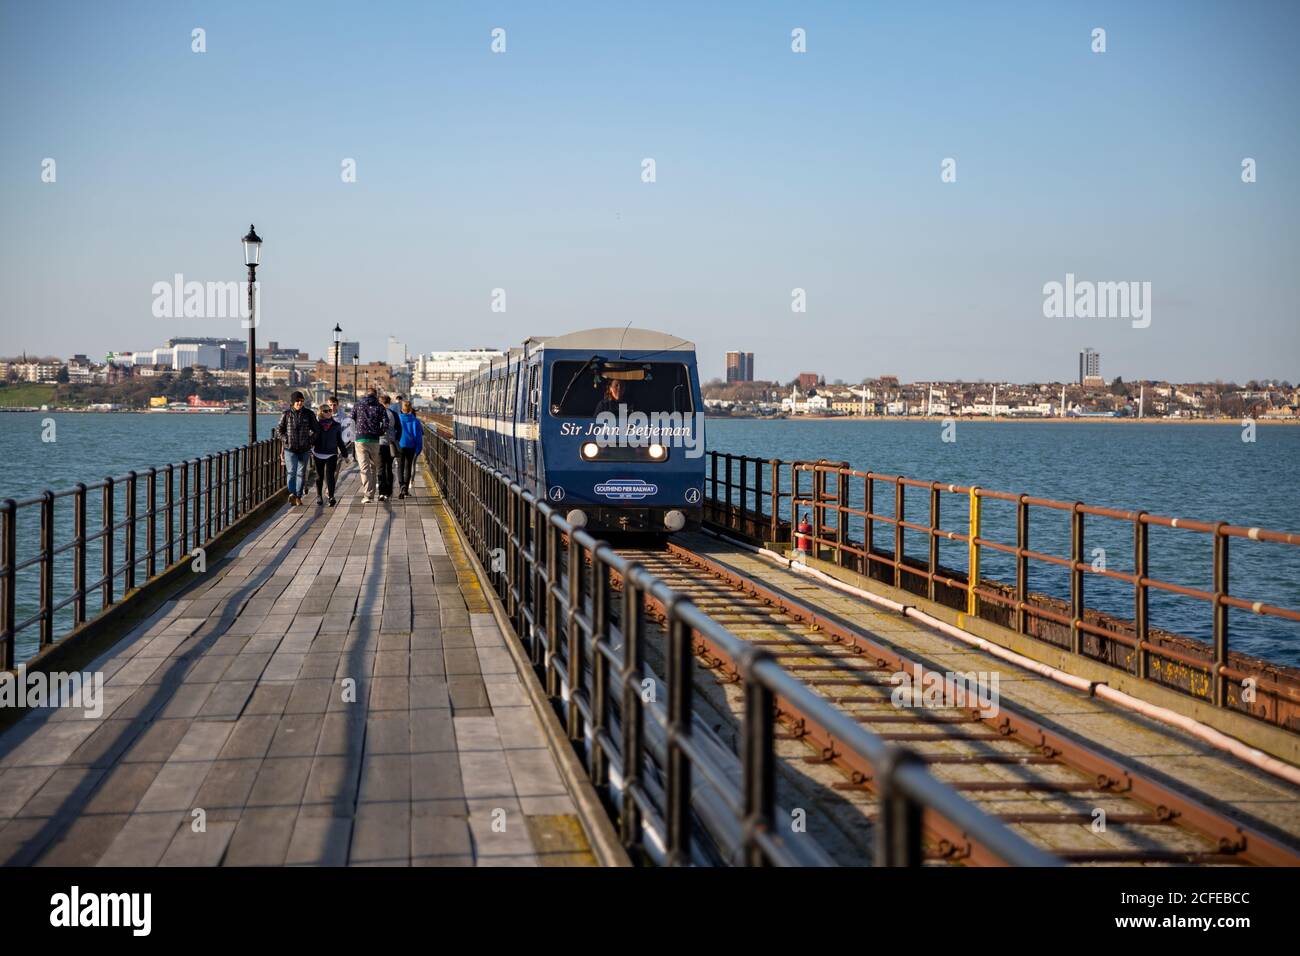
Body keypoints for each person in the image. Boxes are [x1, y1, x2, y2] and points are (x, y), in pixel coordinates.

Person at [277, 391, 319, 506]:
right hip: (290, 449)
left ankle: (298, 496)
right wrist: (286, 439)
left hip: (304, 449)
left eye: (301, 401)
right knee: (291, 472)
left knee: (301, 473)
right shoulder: (286, 414)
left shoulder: (309, 414)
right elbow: (279, 430)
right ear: (292, 402)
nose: (299, 403)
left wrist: (309, 441)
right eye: (297, 401)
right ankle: (292, 494)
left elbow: (316, 430)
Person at [352, 387, 387, 503]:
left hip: (360, 439)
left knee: (364, 467)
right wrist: (380, 432)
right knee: (373, 466)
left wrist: (354, 433)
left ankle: (367, 494)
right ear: (375, 395)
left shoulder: (358, 405)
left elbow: (351, 420)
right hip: (374, 440)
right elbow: (386, 422)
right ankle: (371, 493)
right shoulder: (380, 406)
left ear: (365, 394)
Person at [312, 402, 345, 506]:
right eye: (325, 411)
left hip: (331, 453)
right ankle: (319, 496)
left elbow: (339, 440)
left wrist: (344, 453)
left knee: (330, 476)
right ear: (320, 413)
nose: (329, 412)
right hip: (318, 453)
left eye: (330, 410)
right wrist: (308, 447)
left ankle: (331, 496)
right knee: (319, 476)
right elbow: (313, 438)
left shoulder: (336, 425)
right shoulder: (316, 425)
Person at [396, 400, 423, 499]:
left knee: (400, 467)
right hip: (411, 447)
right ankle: (406, 490)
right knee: (408, 468)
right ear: (410, 409)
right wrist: (418, 449)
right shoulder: (415, 421)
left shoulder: (398, 419)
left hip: (399, 445)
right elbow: (419, 437)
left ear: (402, 409)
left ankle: (401, 486)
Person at [377, 394, 401, 501]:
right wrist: (396, 439)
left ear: (380, 403)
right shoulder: (394, 414)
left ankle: (381, 492)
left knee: (380, 468)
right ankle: (389, 491)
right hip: (391, 444)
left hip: (379, 444)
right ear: (389, 403)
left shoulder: (377, 413)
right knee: (389, 468)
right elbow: (399, 429)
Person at [329, 395, 355, 463]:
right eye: (330, 405)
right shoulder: (324, 414)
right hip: (327, 443)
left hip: (339, 442)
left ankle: (336, 472)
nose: (332, 407)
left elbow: (346, 429)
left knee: (337, 462)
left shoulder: (342, 416)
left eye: (334, 405)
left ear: (337, 405)